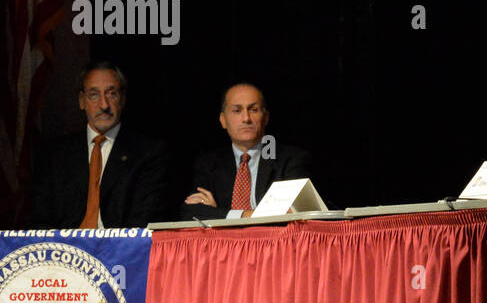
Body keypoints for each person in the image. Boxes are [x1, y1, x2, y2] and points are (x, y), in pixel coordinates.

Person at [29, 61, 173, 229]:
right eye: (94, 95)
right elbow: (39, 222)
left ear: (123, 99)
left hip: (119, 251)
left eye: (112, 94)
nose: (104, 105)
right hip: (63, 252)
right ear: (81, 101)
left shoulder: (149, 154)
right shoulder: (55, 156)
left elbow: (143, 223)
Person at [181, 82, 313, 221]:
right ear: (223, 120)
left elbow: (293, 212)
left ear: (266, 118)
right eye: (237, 111)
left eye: (253, 110)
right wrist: (246, 215)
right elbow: (191, 212)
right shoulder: (208, 164)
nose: (246, 118)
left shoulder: (290, 160)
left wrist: (218, 213)